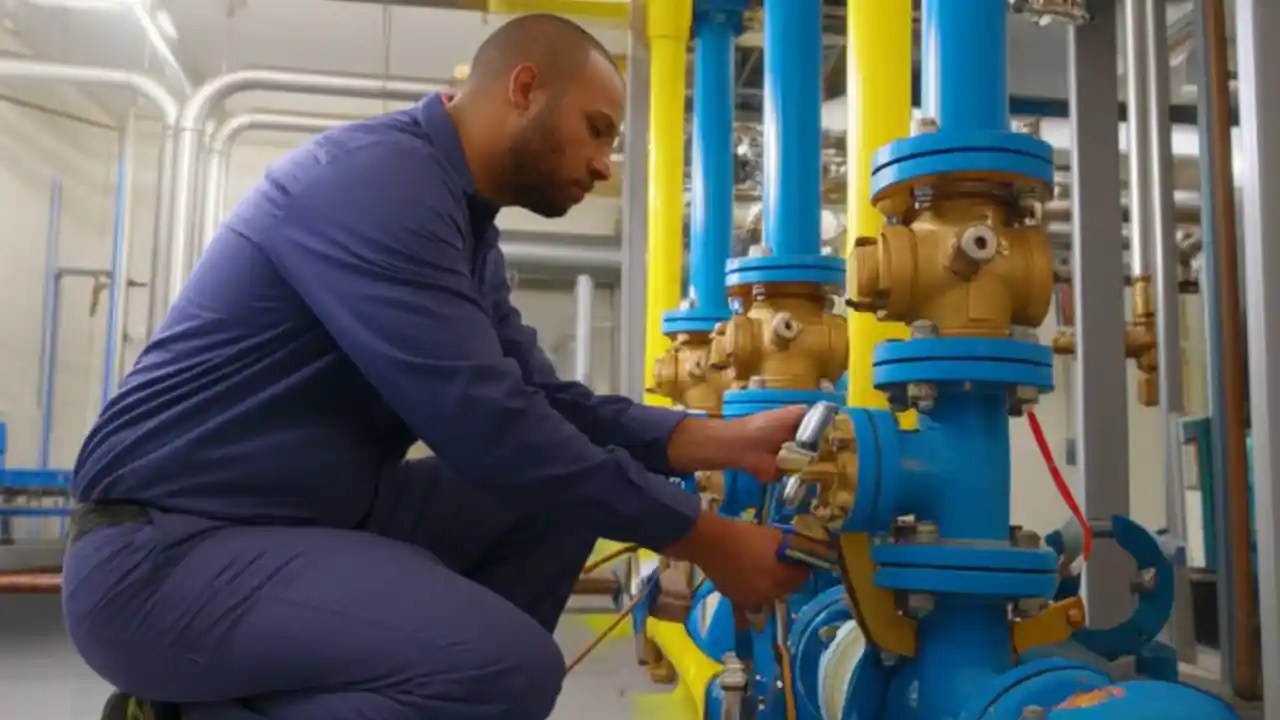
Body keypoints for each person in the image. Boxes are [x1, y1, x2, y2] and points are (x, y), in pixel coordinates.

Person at [63, 13, 810, 720]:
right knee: (504, 669)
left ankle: (446, 688)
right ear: (524, 89)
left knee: (560, 500)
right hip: (161, 555)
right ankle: (178, 713)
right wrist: (703, 538)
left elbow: (543, 400)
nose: (602, 165)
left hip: (307, 519)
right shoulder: (376, 184)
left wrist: (714, 437)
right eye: (597, 130)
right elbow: (487, 425)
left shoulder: (462, 228)